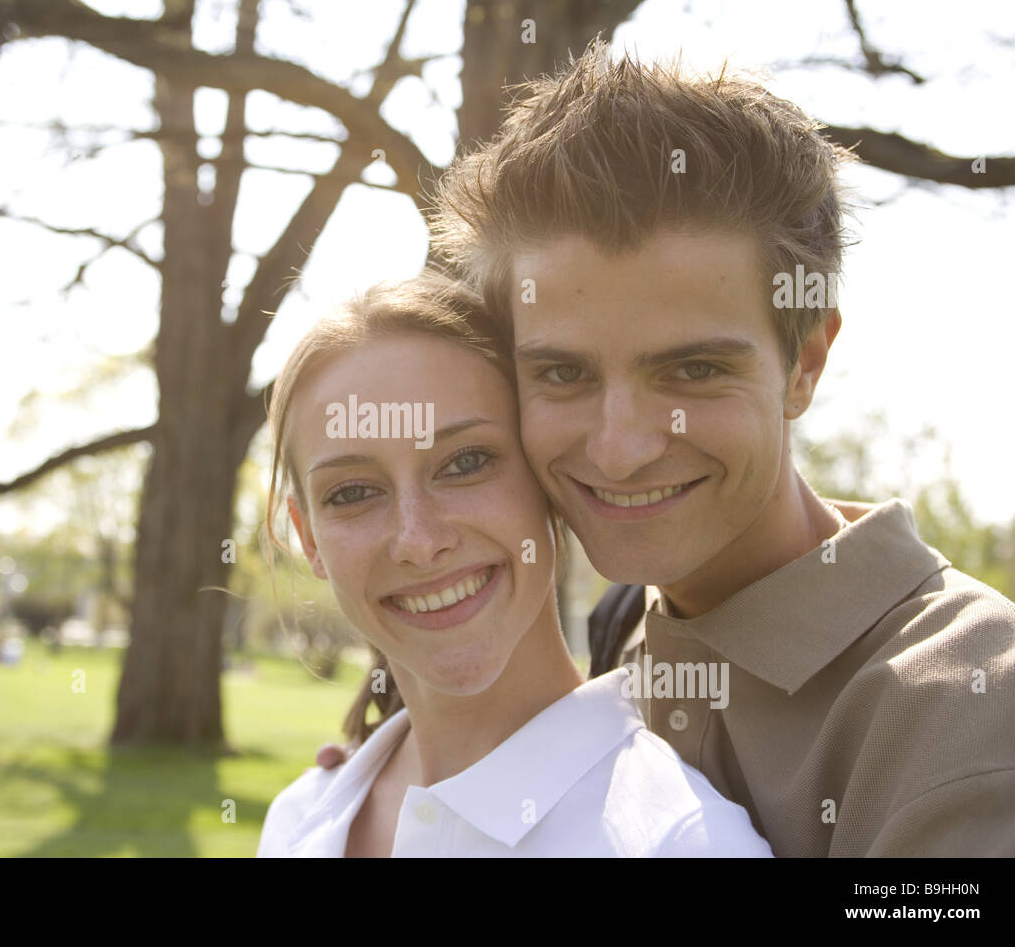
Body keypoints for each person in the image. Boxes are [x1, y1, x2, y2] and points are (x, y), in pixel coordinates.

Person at [317, 41, 1015, 857]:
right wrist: (400, 801)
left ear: (805, 362)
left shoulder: (979, 714)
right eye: (562, 372)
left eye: (694, 370)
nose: (620, 450)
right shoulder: (630, 625)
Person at [254, 271, 772, 857]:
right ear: (309, 538)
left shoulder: (679, 842)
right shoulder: (298, 819)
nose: (418, 541)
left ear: (548, 479)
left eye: (466, 461)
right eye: (351, 493)